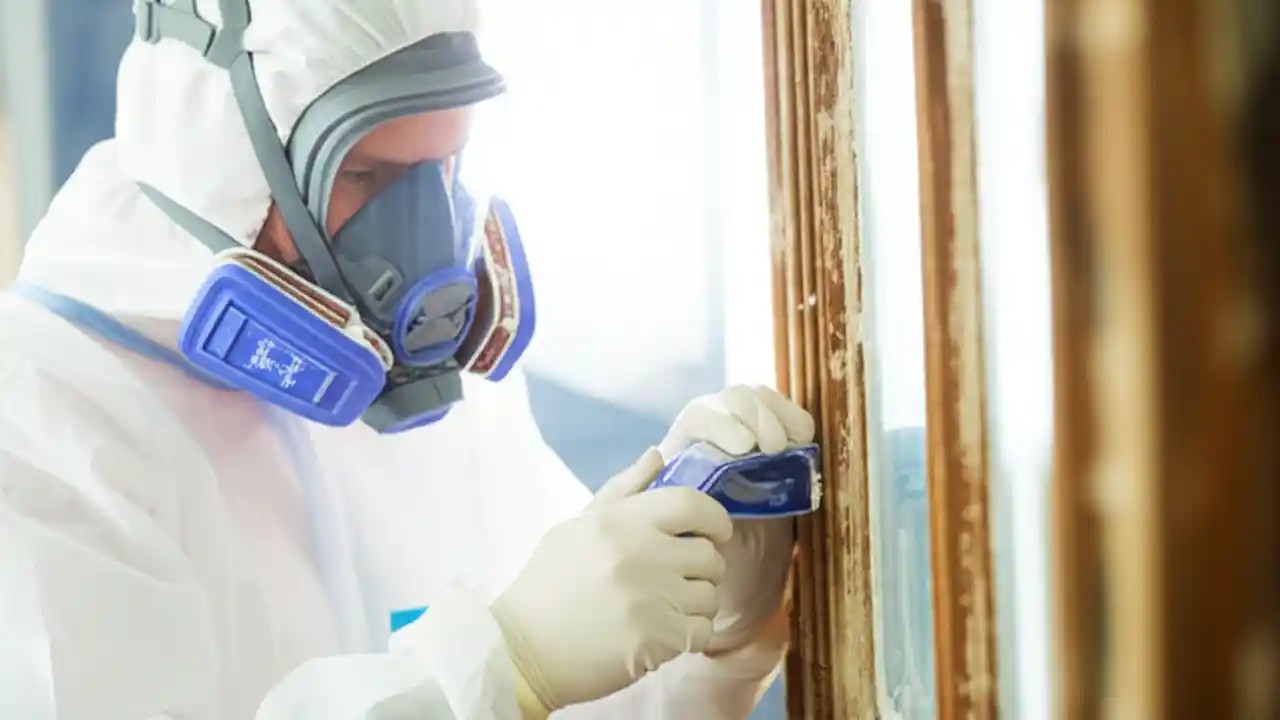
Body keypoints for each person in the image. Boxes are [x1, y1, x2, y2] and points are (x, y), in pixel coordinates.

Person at [0, 1, 815, 718]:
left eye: (441, 169)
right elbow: (516, 670)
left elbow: (569, 693)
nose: (422, 242)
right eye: (365, 174)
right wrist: (502, 669)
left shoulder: (433, 399)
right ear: (218, 160)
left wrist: (703, 641)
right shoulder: (41, 425)